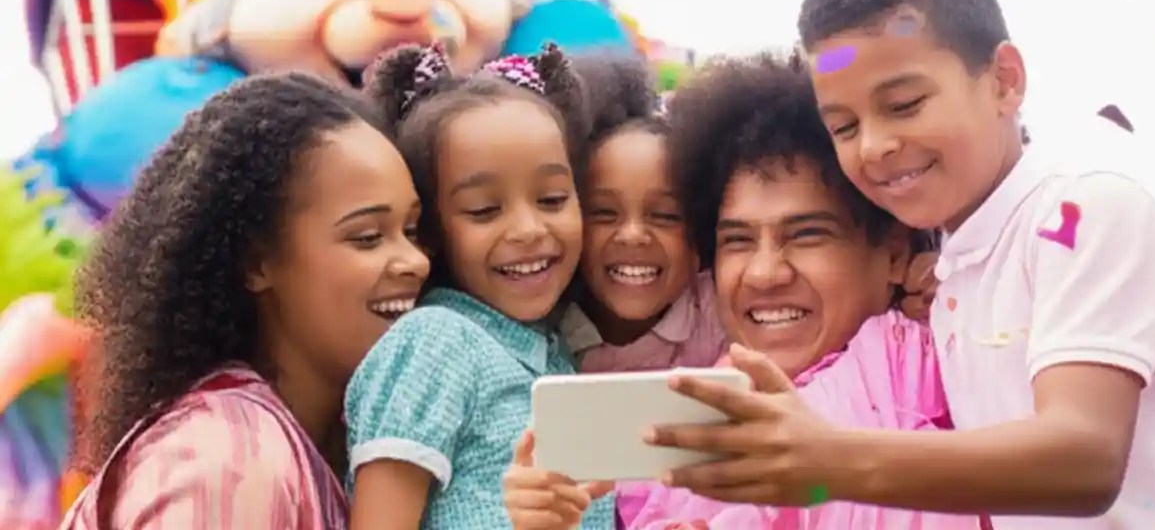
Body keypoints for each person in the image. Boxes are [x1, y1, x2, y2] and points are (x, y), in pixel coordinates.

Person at [646, 0, 1155, 529]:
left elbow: (1084, 457)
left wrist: (824, 457)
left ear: (1005, 80)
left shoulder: (1086, 214)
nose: (875, 146)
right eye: (845, 126)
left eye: (904, 104)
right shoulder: (946, 283)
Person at [503, 52, 977, 529]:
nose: (763, 274)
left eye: (807, 235)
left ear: (894, 253)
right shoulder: (687, 414)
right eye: (737, 241)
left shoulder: (951, 364)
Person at [60, 73, 430, 529]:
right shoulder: (227, 460)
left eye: (412, 231)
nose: (415, 261)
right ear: (257, 263)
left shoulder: (321, 447)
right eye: (368, 236)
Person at [345, 43, 615, 529]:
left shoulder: (558, 354)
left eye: (552, 199)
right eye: (485, 210)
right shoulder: (433, 342)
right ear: (430, 229)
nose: (528, 229)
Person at [558, 53, 726, 373]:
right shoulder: (547, 324)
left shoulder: (720, 318)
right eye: (604, 213)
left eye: (665, 215)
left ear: (700, 237)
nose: (633, 235)